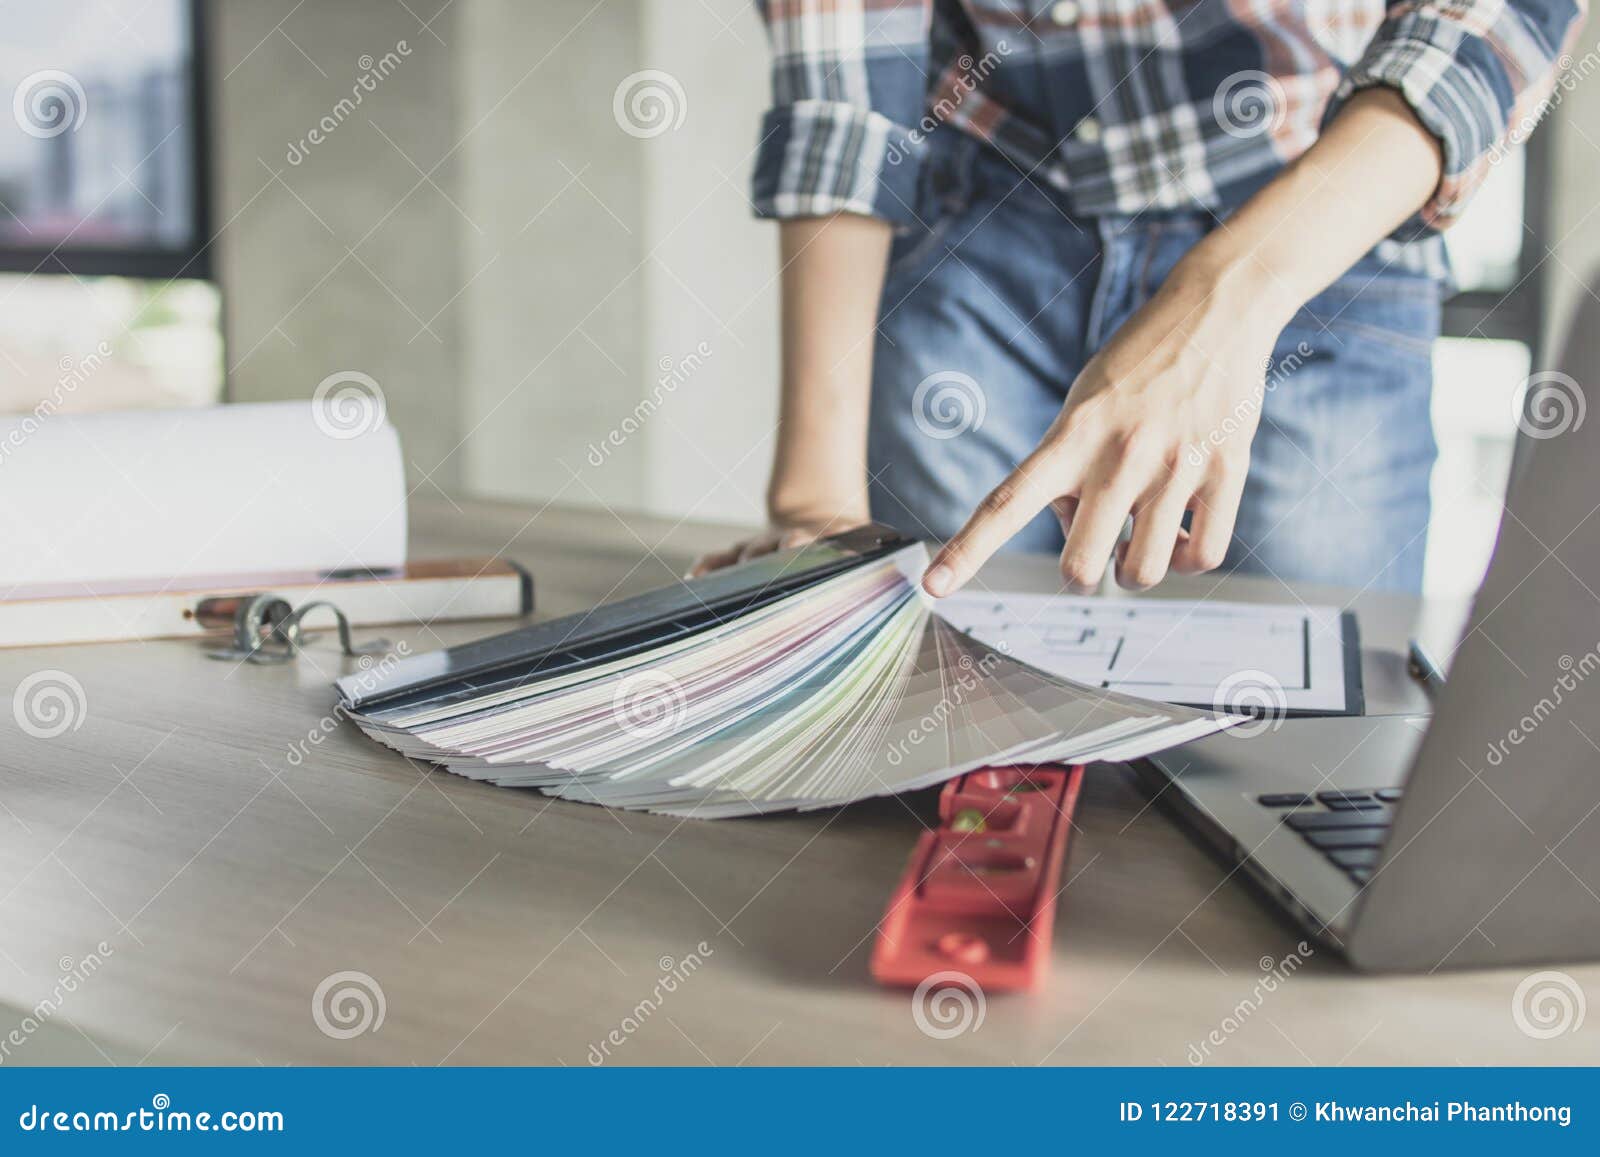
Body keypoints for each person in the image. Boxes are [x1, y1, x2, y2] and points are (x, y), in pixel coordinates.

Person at [691, 0, 1583, 596]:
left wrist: (1229, 298)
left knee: (1301, 751)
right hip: (990, 203)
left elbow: (1492, 22)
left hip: (1321, 209)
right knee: (942, 711)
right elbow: (845, 69)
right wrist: (814, 502)